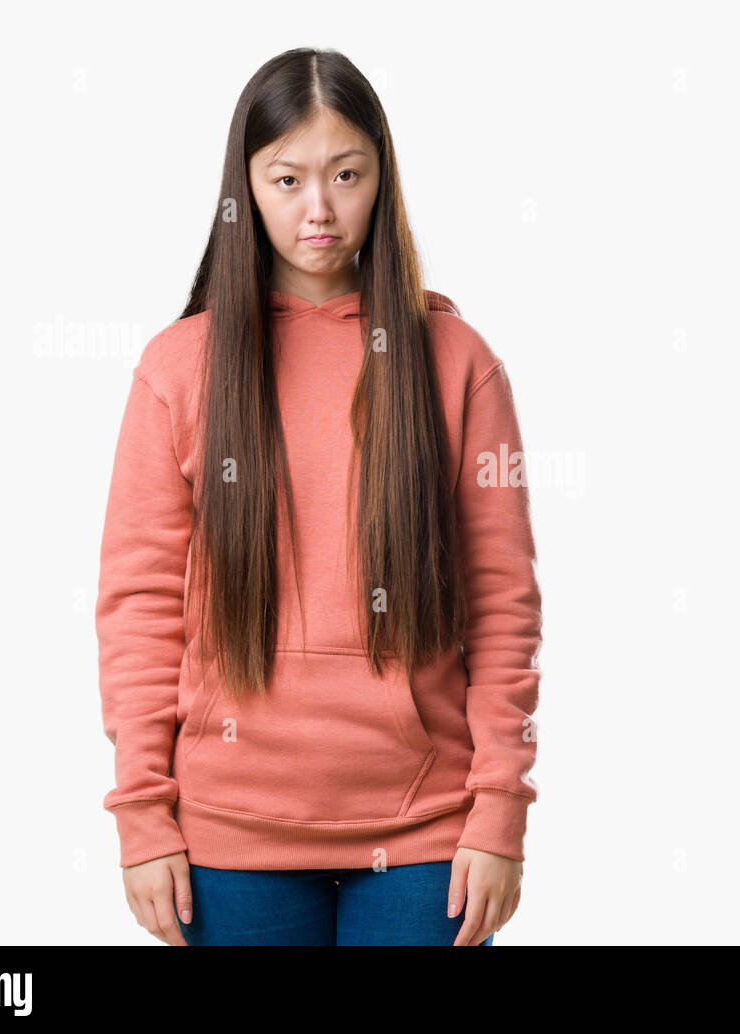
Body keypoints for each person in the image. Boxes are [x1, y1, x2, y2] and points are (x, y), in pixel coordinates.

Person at [94, 47, 542, 946]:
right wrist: (142, 817)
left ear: (382, 177)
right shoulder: (178, 369)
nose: (320, 210)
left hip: (428, 838)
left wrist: (500, 810)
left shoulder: (458, 362)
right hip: (228, 841)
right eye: (287, 178)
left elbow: (503, 604)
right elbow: (140, 608)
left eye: (346, 174)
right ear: (246, 187)